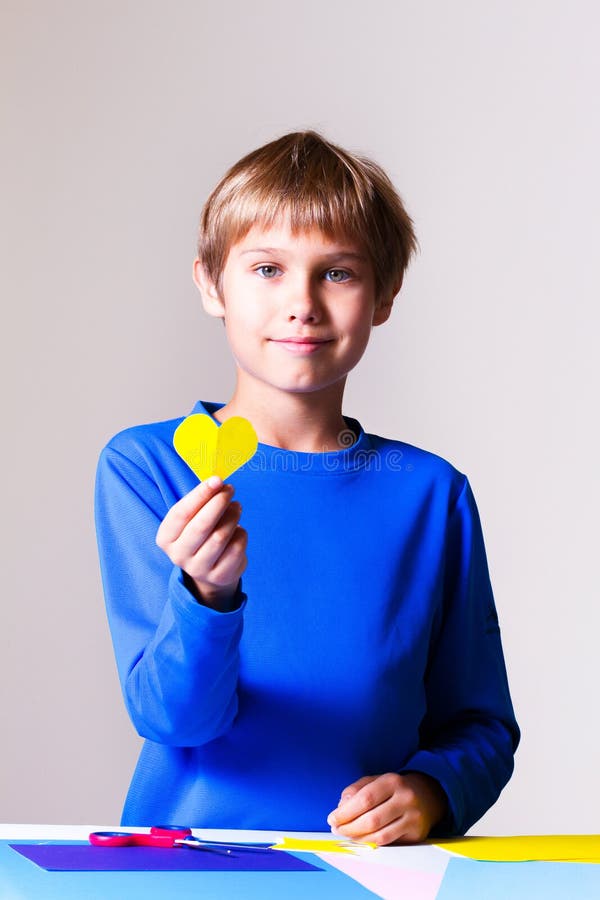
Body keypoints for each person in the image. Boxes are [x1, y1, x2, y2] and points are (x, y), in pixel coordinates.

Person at [95, 130, 519, 845]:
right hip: (186, 871)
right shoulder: (147, 467)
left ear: (384, 295)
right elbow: (173, 720)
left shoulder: (430, 495)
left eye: (339, 273)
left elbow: (481, 726)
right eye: (266, 268)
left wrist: (429, 791)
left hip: (371, 874)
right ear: (209, 283)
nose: (302, 303)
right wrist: (206, 597)